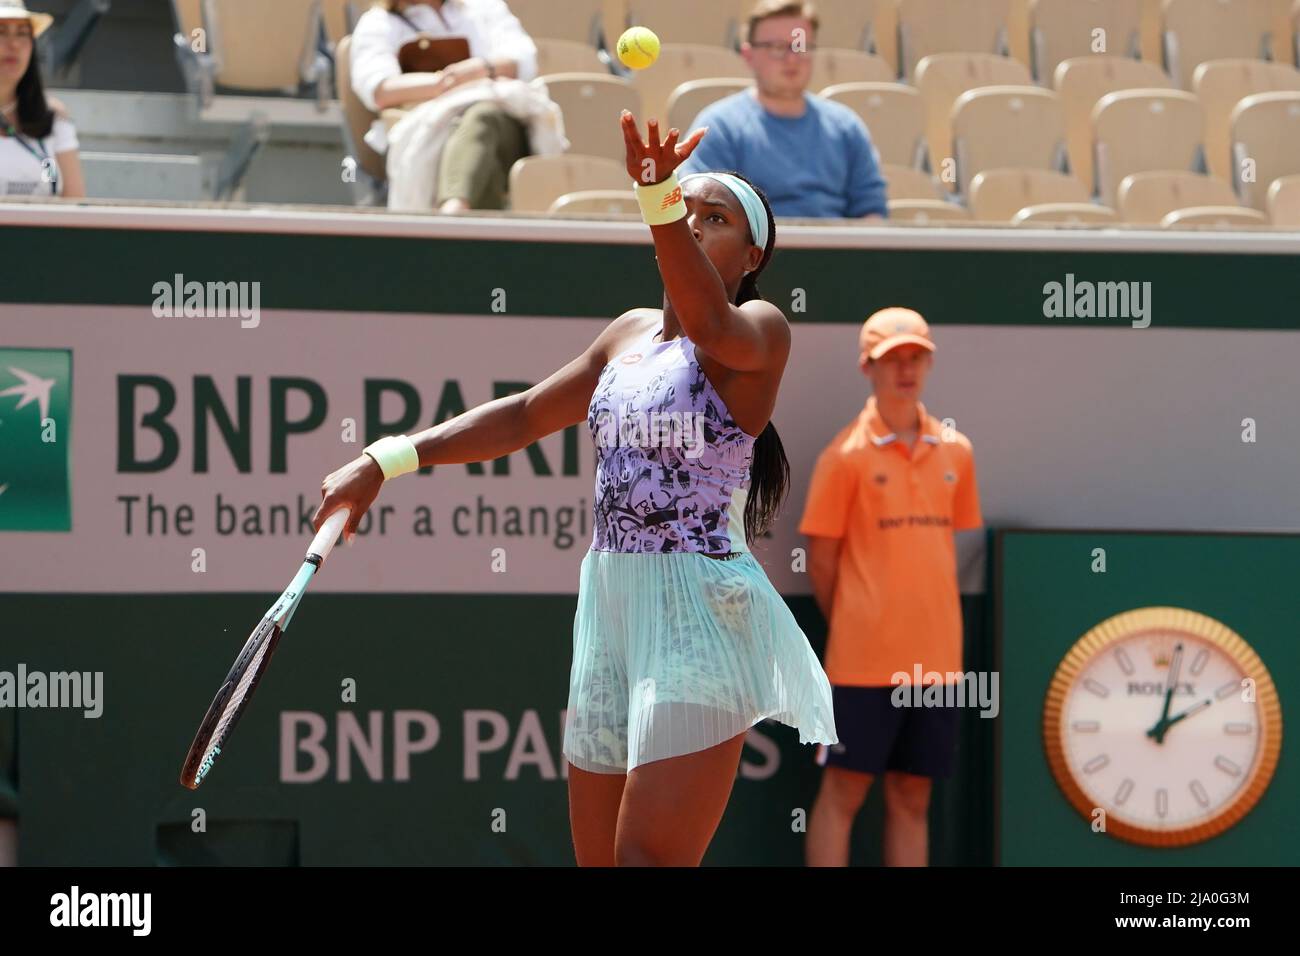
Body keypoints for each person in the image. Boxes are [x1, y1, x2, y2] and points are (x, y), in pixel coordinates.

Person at [312, 111, 837, 867]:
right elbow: (525, 415)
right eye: (681, 210)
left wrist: (656, 195)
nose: (690, 226)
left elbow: (709, 322)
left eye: (711, 219)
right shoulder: (624, 335)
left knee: (648, 861)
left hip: (702, 616)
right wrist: (388, 459)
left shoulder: (760, 328)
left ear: (751, 254)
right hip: (610, 610)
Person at [798, 308, 982, 866]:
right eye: (892, 359)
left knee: (912, 796)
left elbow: (951, 548)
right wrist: (859, 622)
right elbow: (822, 563)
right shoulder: (842, 458)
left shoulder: (958, 451)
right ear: (867, 367)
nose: (906, 369)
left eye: (915, 357)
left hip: (936, 663)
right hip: (860, 664)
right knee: (842, 794)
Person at [678, 0, 886, 220]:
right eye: (777, 47)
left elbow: (871, 212)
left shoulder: (846, 127)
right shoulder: (720, 127)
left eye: (801, 45)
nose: (792, 58)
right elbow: (700, 213)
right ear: (749, 55)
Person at [350, 0, 538, 212]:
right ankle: (461, 223)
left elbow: (524, 60)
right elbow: (379, 88)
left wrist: (480, 69)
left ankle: (451, 216)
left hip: (505, 130)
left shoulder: (485, 7)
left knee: (482, 117)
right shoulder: (378, 23)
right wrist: (445, 83)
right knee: (487, 168)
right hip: (425, 131)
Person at [0, 0, 85, 199]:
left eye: (22, 33)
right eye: (1, 31)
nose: (13, 44)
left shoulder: (52, 116)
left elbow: (72, 200)